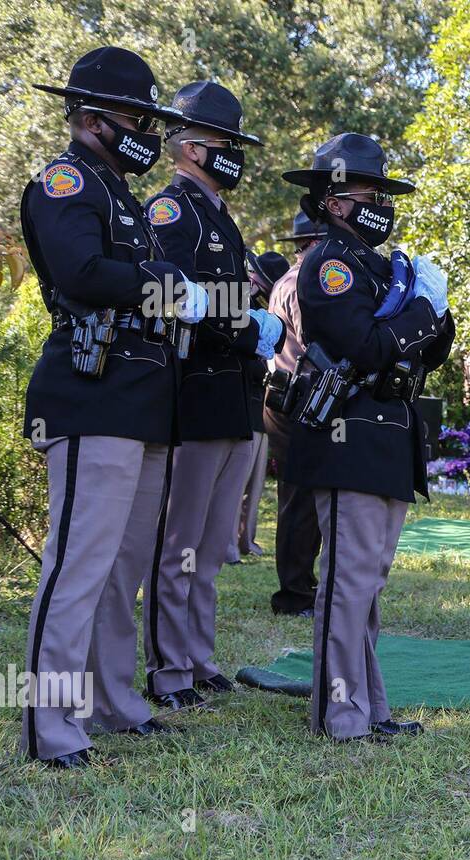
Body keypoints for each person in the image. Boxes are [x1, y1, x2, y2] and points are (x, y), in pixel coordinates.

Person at [19, 47, 207, 768]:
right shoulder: (66, 180)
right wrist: (162, 278)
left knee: (119, 567)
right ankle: (49, 724)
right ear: (93, 118)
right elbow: (81, 273)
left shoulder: (122, 193)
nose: (146, 131)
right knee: (77, 565)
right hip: (91, 391)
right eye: (135, 117)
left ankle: (113, 702)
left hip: (139, 396)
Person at [282, 133, 455, 739]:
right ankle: (340, 712)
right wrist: (419, 316)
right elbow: (365, 346)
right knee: (348, 581)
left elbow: (424, 349)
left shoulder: (383, 266)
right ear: (333, 200)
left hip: (386, 433)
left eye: (381, 189)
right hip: (346, 435)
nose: (378, 200)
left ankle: (369, 706)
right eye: (366, 190)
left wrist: (434, 317)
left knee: (369, 583)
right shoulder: (329, 264)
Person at [142, 81, 283, 708]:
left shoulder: (219, 215)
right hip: (193, 392)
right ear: (192, 148)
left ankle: (198, 659)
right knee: (180, 544)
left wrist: (253, 312)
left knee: (211, 544)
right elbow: (170, 297)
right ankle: (169, 670)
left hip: (234, 395)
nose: (235, 154)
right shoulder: (172, 211)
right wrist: (245, 317)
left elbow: (224, 296)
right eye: (227, 142)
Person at [265, 212, 326, 616]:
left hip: (290, 397)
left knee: (301, 499)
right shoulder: (302, 283)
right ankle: (294, 594)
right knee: (299, 502)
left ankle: (301, 586)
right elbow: (315, 343)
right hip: (296, 398)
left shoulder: (290, 279)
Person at [227, 249, 292, 564]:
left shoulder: (272, 314)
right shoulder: (237, 308)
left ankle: (246, 539)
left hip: (261, 407)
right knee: (235, 484)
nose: (251, 278)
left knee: (254, 486)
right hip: (241, 404)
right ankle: (227, 543)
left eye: (257, 275)